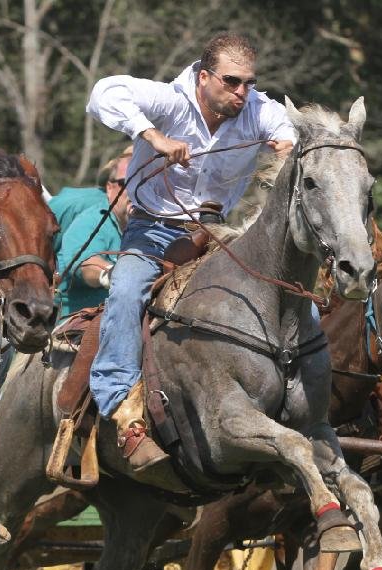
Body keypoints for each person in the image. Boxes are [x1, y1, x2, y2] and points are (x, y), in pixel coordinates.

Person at [85, 32, 296, 472]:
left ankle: (301, 402)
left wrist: (287, 143)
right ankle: (122, 409)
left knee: (290, 295)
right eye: (232, 82)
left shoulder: (256, 109)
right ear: (204, 78)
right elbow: (104, 93)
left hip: (215, 234)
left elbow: (288, 126)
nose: (242, 92)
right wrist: (153, 136)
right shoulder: (168, 101)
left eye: (248, 84)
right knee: (125, 291)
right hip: (151, 231)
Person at [55, 148, 132, 315]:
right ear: (110, 188)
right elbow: (86, 264)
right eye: (128, 183)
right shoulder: (91, 220)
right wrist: (112, 275)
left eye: (145, 184)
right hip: (77, 325)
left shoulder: (154, 228)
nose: (136, 191)